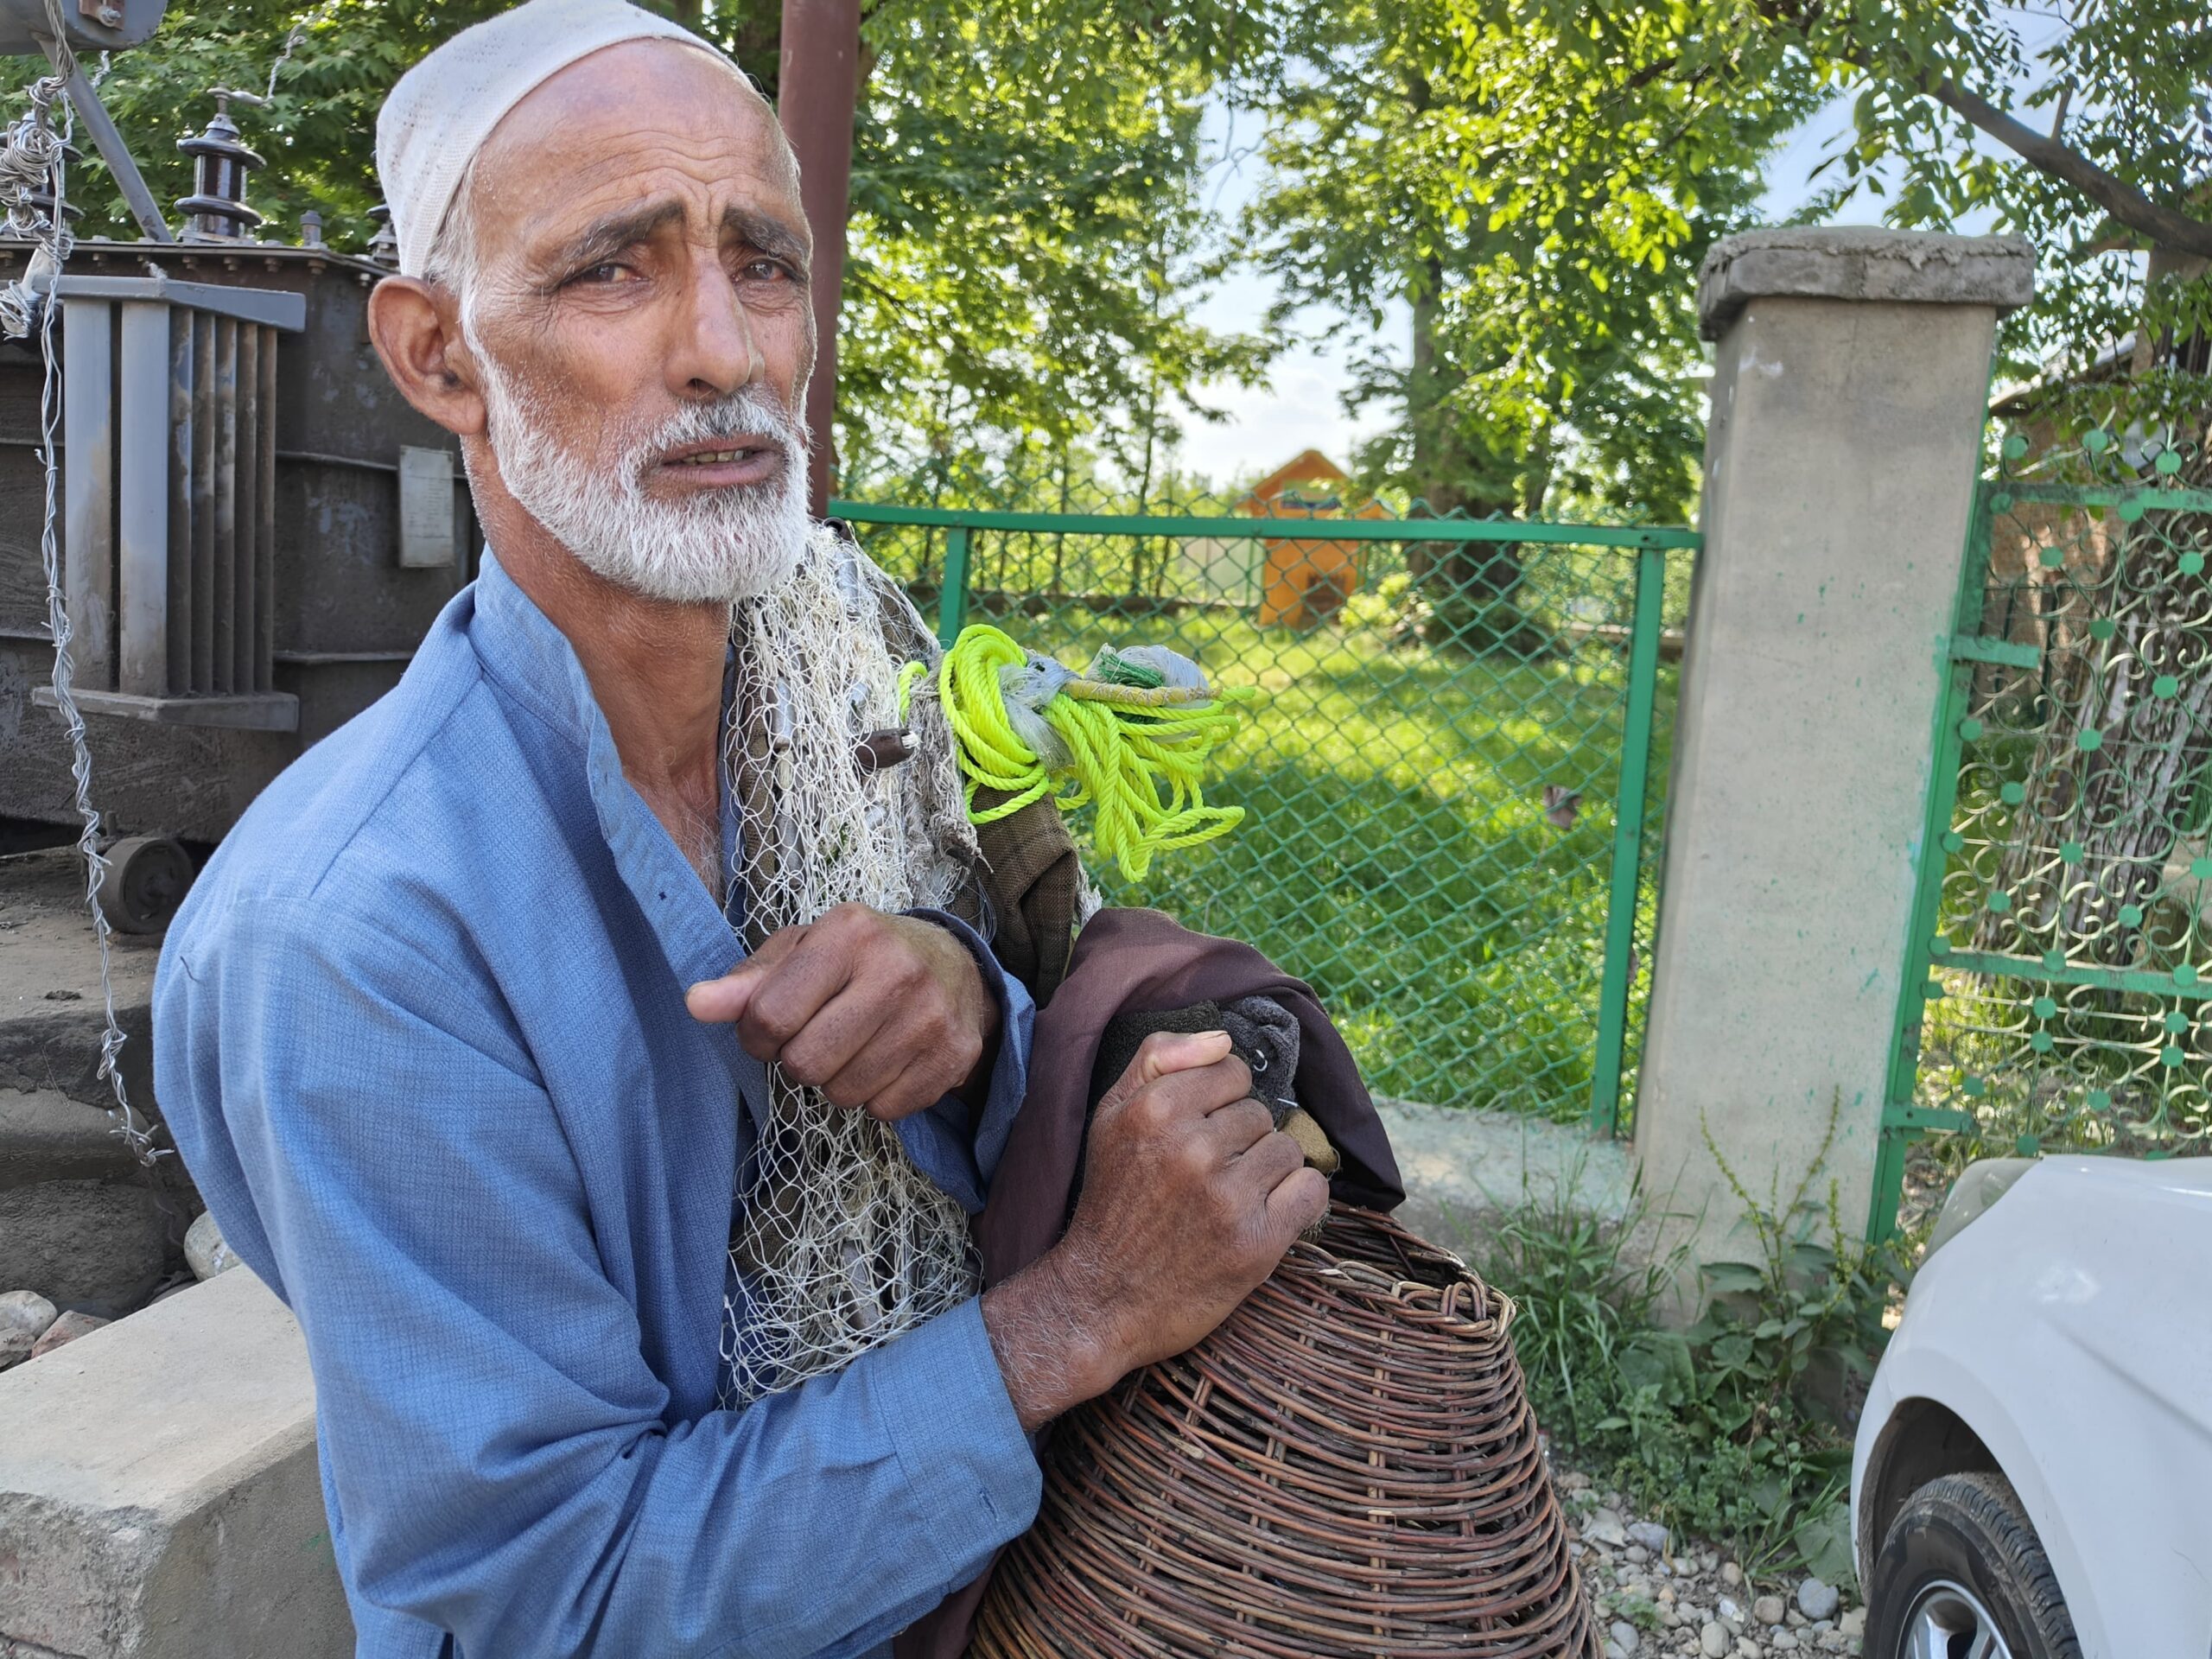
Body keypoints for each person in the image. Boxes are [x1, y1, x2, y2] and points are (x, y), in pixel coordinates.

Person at [151, 1, 1328, 1655]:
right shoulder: (353, 936)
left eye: (763, 265)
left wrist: (960, 998)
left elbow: (999, 1035)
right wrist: (1082, 1315)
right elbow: (554, 1599)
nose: (724, 349)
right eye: (611, 270)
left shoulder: (851, 693)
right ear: (438, 356)